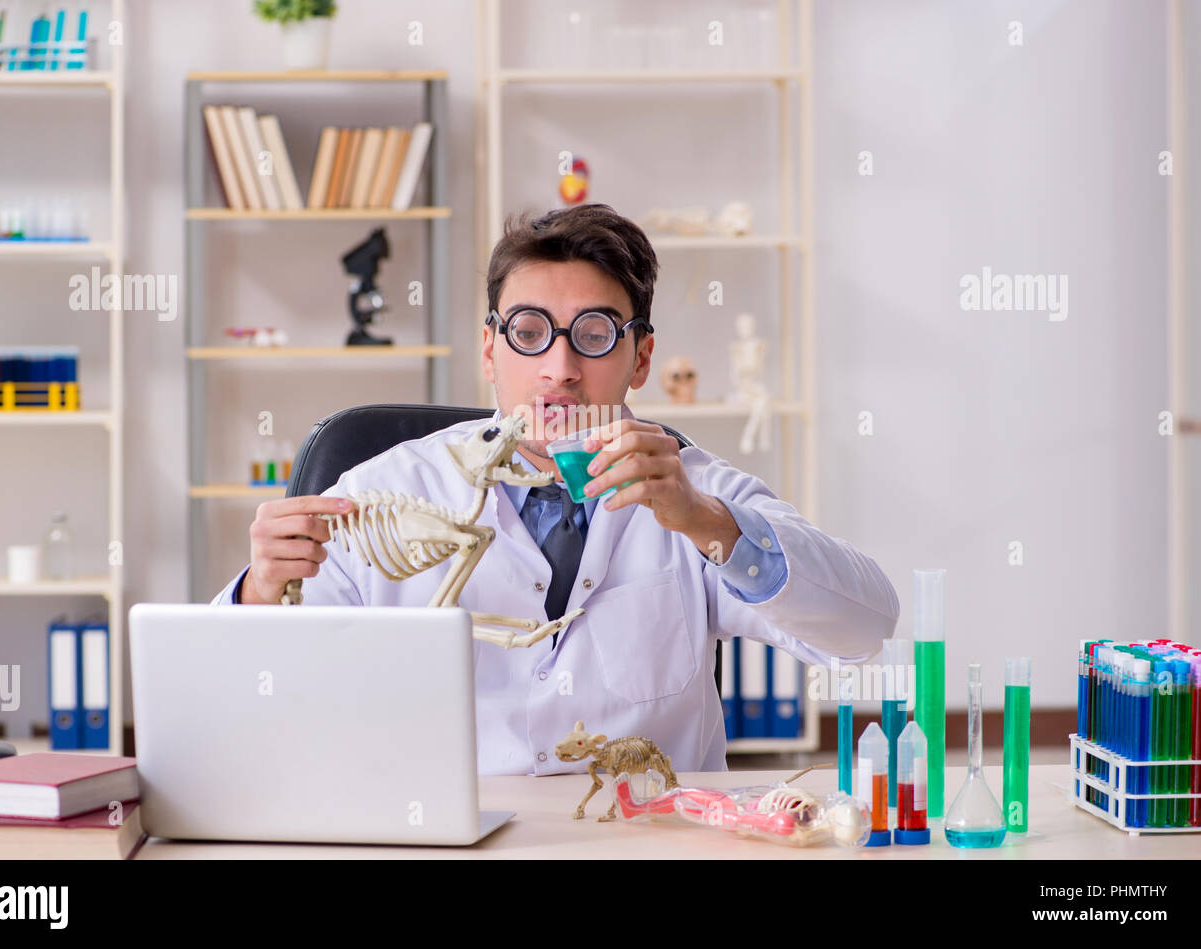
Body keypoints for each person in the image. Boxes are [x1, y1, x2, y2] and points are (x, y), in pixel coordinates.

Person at [213, 203, 900, 775]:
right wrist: (258, 593)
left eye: (594, 335)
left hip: (649, 842)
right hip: (446, 842)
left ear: (642, 358)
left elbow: (866, 625)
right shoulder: (383, 493)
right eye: (530, 332)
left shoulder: (694, 491)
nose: (560, 368)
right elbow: (243, 701)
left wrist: (705, 522)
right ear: (490, 350)